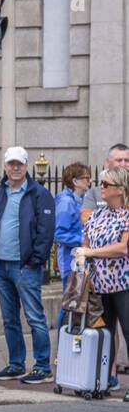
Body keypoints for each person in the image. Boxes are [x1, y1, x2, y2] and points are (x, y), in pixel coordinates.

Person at [0, 146, 56, 385]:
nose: (15, 168)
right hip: (1, 265)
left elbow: (46, 231)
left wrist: (34, 260)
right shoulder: (0, 191)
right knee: (9, 319)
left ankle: (42, 366)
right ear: (5, 166)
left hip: (25, 266)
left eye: (19, 164)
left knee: (35, 317)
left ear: (27, 166)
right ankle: (16, 364)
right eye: (11, 164)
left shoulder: (39, 193)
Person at [73, 167, 129, 387]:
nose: (101, 188)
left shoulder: (127, 215)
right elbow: (86, 243)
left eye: (106, 185)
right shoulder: (97, 214)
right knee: (104, 334)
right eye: (101, 183)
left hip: (123, 284)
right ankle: (103, 379)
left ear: (120, 189)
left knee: (128, 332)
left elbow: (123, 248)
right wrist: (82, 255)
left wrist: (91, 253)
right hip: (99, 286)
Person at [54, 162, 91, 331]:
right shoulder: (66, 202)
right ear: (75, 181)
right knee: (69, 302)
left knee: (75, 302)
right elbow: (59, 234)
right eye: (86, 177)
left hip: (79, 259)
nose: (89, 180)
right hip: (70, 261)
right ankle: (62, 346)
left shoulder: (81, 199)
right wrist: (83, 239)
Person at [80, 143, 129, 225]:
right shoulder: (94, 193)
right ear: (107, 163)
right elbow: (85, 219)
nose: (123, 164)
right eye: (119, 160)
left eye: (127, 160)